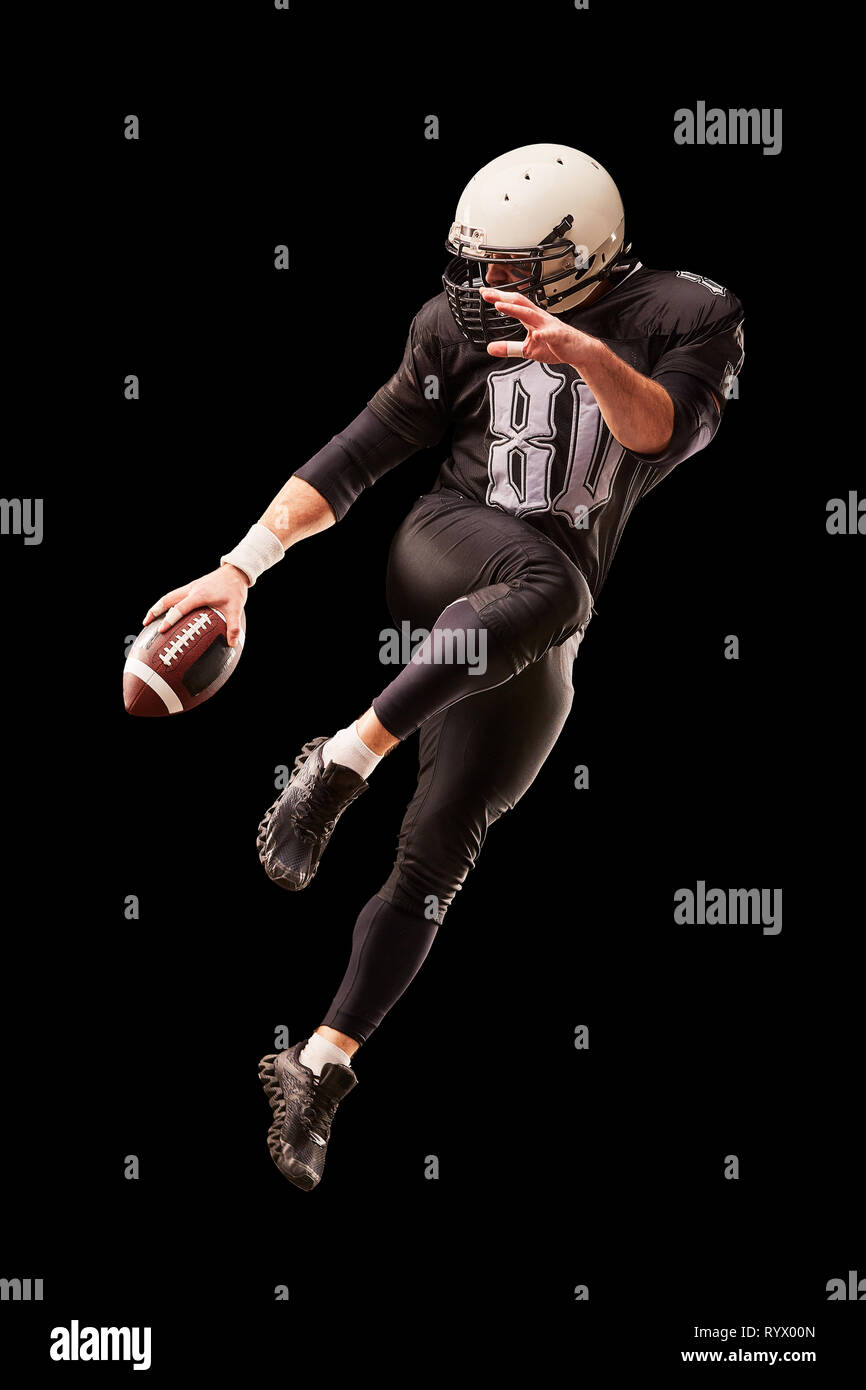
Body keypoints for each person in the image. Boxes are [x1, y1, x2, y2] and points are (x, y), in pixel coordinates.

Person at [144, 144, 744, 1192]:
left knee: (437, 856)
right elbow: (359, 452)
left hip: (537, 619)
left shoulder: (683, 314)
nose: (483, 291)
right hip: (446, 544)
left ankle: (318, 1063)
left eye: (507, 270)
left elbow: (657, 430)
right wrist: (238, 571)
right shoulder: (449, 327)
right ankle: (338, 761)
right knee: (552, 589)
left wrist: (576, 352)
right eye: (474, 266)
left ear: (583, 257)